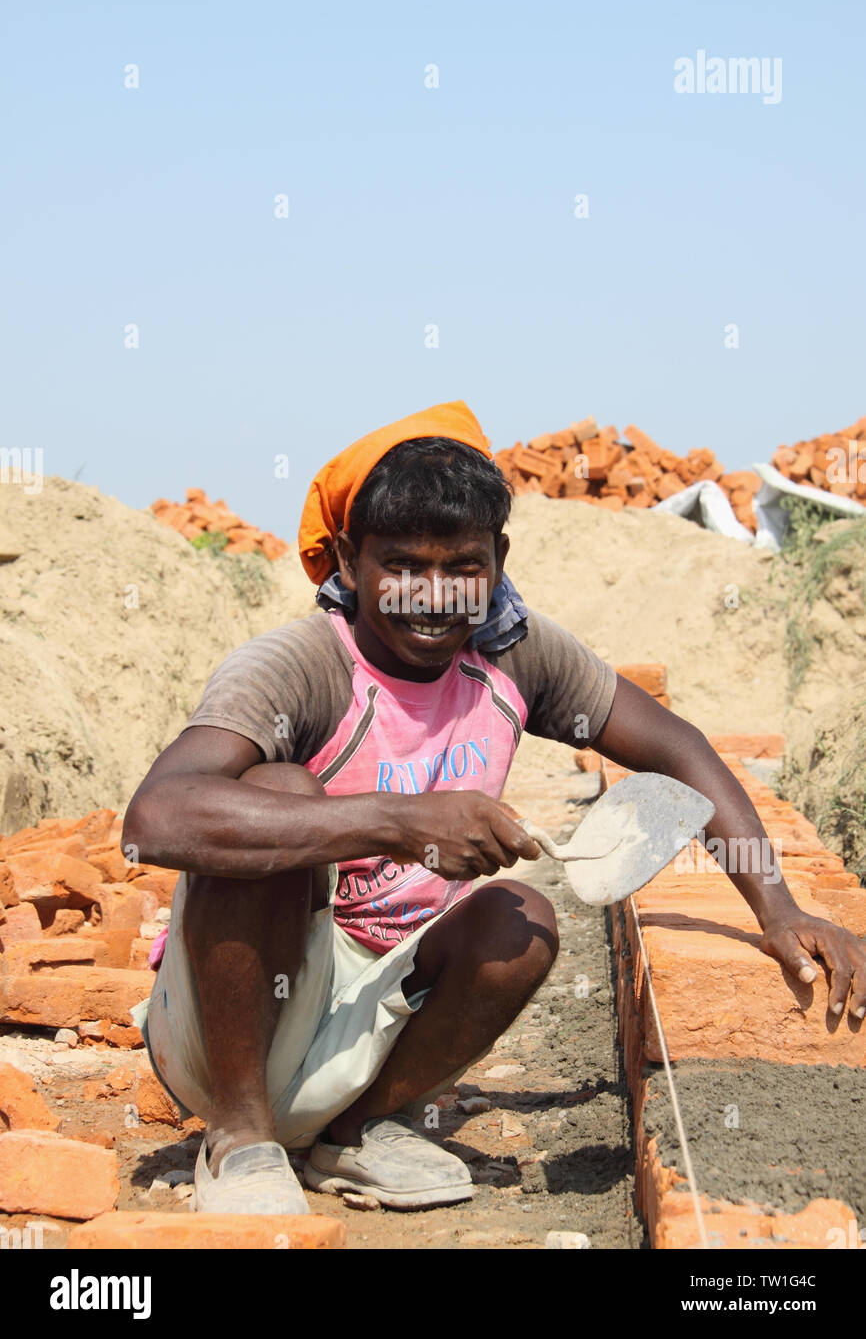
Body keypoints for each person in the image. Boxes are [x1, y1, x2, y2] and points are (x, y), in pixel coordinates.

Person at [126, 400, 866, 1215]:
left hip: (375, 1025)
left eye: (464, 567)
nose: (433, 597)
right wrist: (397, 821)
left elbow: (677, 751)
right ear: (349, 557)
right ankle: (241, 1141)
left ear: (499, 557)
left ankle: (357, 1133)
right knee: (272, 796)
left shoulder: (513, 652)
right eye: (402, 565)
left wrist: (779, 906)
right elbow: (157, 818)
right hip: (235, 1029)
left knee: (523, 916)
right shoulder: (303, 666)